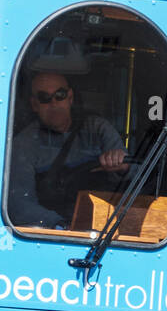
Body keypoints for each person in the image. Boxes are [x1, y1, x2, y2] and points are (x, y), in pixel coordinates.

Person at [8, 70, 129, 228]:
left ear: (70, 97)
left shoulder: (98, 130)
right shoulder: (23, 145)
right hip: (52, 233)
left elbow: (135, 175)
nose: (54, 103)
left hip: (105, 229)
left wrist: (122, 166)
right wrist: (62, 226)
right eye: (45, 98)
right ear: (34, 105)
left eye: (60, 95)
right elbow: (20, 205)